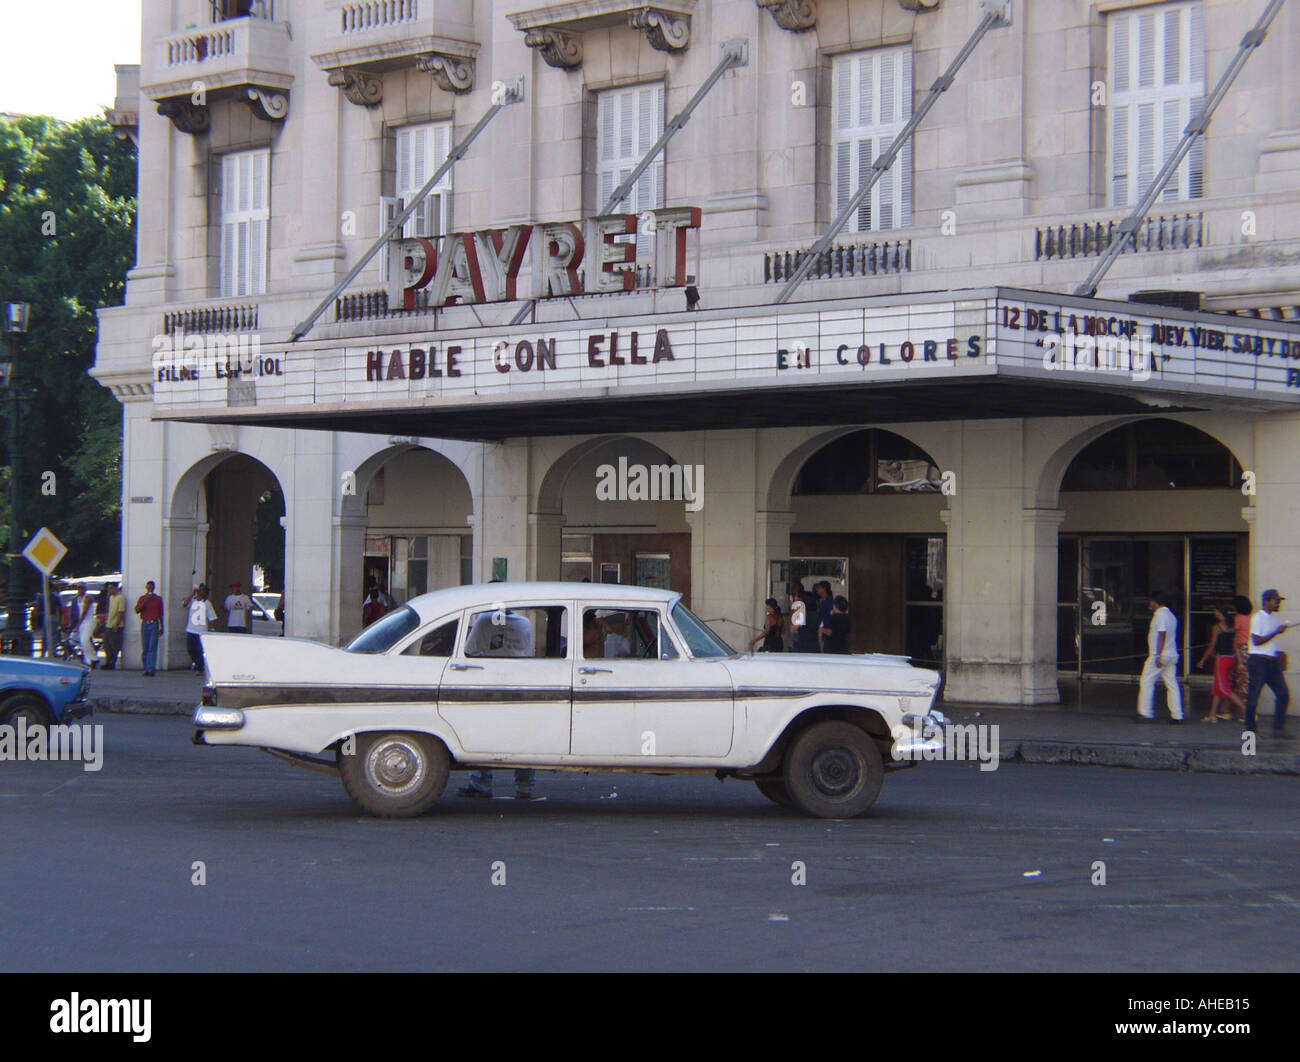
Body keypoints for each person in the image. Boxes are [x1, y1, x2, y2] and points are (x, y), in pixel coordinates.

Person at [459, 607, 539, 800]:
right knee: (522, 736)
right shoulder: (524, 623)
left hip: (491, 683)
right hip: (520, 684)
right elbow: (528, 652)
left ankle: (481, 783)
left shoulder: (485, 620)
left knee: (483, 733)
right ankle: (524, 786)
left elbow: (469, 651)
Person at [1244, 589, 1292, 739]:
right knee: (1254, 696)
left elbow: (1271, 640)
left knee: (1283, 694)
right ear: (1267, 601)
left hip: (1272, 662)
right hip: (1259, 661)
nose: (1278, 604)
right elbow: (1256, 641)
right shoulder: (1258, 618)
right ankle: (1250, 728)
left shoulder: (1274, 618)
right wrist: (1277, 632)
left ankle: (1278, 728)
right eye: (1276, 601)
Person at [1137, 590, 1183, 722]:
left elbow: (1161, 634)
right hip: (1172, 653)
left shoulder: (1160, 615)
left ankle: (1146, 712)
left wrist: (1157, 655)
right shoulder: (1171, 615)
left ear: (1155, 602)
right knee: (1172, 684)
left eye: (1151, 601)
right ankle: (1177, 714)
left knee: (1147, 681)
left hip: (1160, 654)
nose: (1149, 604)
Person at [1197, 605, 1244, 723]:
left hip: (1221, 659)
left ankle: (1248, 711)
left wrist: (1203, 660)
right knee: (1217, 687)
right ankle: (1212, 714)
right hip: (1231, 658)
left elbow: (1212, 645)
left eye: (1216, 611)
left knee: (1224, 688)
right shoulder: (1233, 627)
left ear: (1222, 614)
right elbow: (1235, 645)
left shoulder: (1217, 627)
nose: (1215, 613)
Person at [182, 584, 217, 671]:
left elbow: (212, 617)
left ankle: (199, 668)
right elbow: (184, 604)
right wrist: (192, 593)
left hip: (201, 631)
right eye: (199, 590)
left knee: (199, 650)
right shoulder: (192, 600)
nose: (200, 592)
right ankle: (196, 663)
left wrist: (211, 629)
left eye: (202, 591)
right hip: (191, 629)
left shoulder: (207, 603)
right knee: (190, 649)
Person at [135, 580, 164, 675]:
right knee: (145, 647)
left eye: (151, 587)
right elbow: (137, 610)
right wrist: (145, 600)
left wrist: (162, 626)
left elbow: (161, 613)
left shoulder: (158, 599)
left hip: (154, 623)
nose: (150, 589)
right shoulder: (142, 598)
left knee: (152, 647)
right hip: (145, 624)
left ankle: (150, 669)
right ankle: (146, 667)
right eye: (148, 587)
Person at [101, 583, 126, 670]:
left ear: (115, 588)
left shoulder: (120, 598)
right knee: (106, 644)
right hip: (109, 624)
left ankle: (112, 662)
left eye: (111, 588)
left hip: (116, 625)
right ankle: (108, 661)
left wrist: (117, 623)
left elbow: (121, 612)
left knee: (114, 645)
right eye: (108, 588)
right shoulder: (111, 598)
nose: (109, 590)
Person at [75, 584, 98, 668]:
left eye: (81, 588)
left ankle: (94, 659)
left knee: (85, 640)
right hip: (83, 622)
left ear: (84, 589)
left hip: (89, 621)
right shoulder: (78, 599)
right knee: (81, 642)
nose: (79, 590)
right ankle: (87, 660)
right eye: (78, 588)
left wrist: (78, 623)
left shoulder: (87, 598)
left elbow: (84, 611)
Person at [813, 581, 834, 652]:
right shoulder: (824, 602)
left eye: (819, 588)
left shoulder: (827, 603)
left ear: (824, 589)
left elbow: (822, 619)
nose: (817, 590)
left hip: (825, 634)